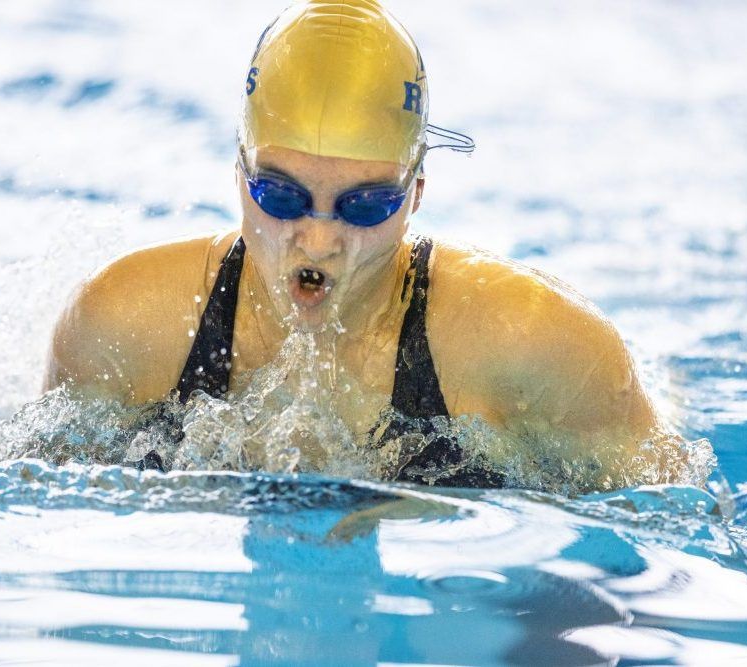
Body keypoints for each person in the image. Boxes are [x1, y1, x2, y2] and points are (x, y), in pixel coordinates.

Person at [43, 0, 684, 488]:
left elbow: (662, 539)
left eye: (366, 203)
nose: (319, 239)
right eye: (282, 195)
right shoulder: (122, 325)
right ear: (238, 175)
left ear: (418, 192)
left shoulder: (540, 349)